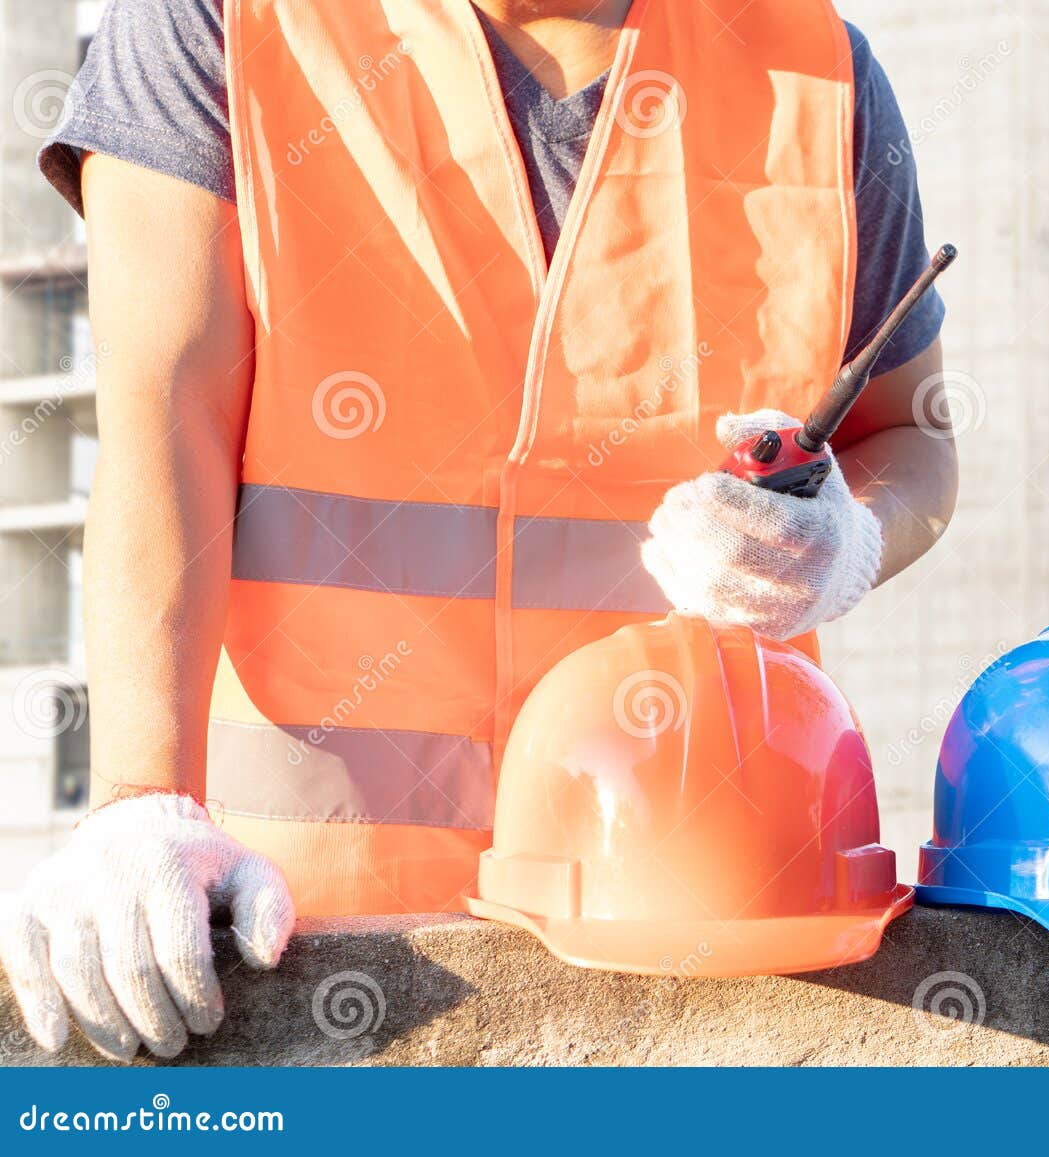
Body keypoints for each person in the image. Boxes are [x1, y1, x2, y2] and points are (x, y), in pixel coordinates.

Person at [0, 0, 956, 1062]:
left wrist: (842, 537)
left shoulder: (809, 66)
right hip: (306, 952)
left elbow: (909, 441)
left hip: (707, 935)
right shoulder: (227, 22)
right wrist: (141, 800)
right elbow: (162, 418)